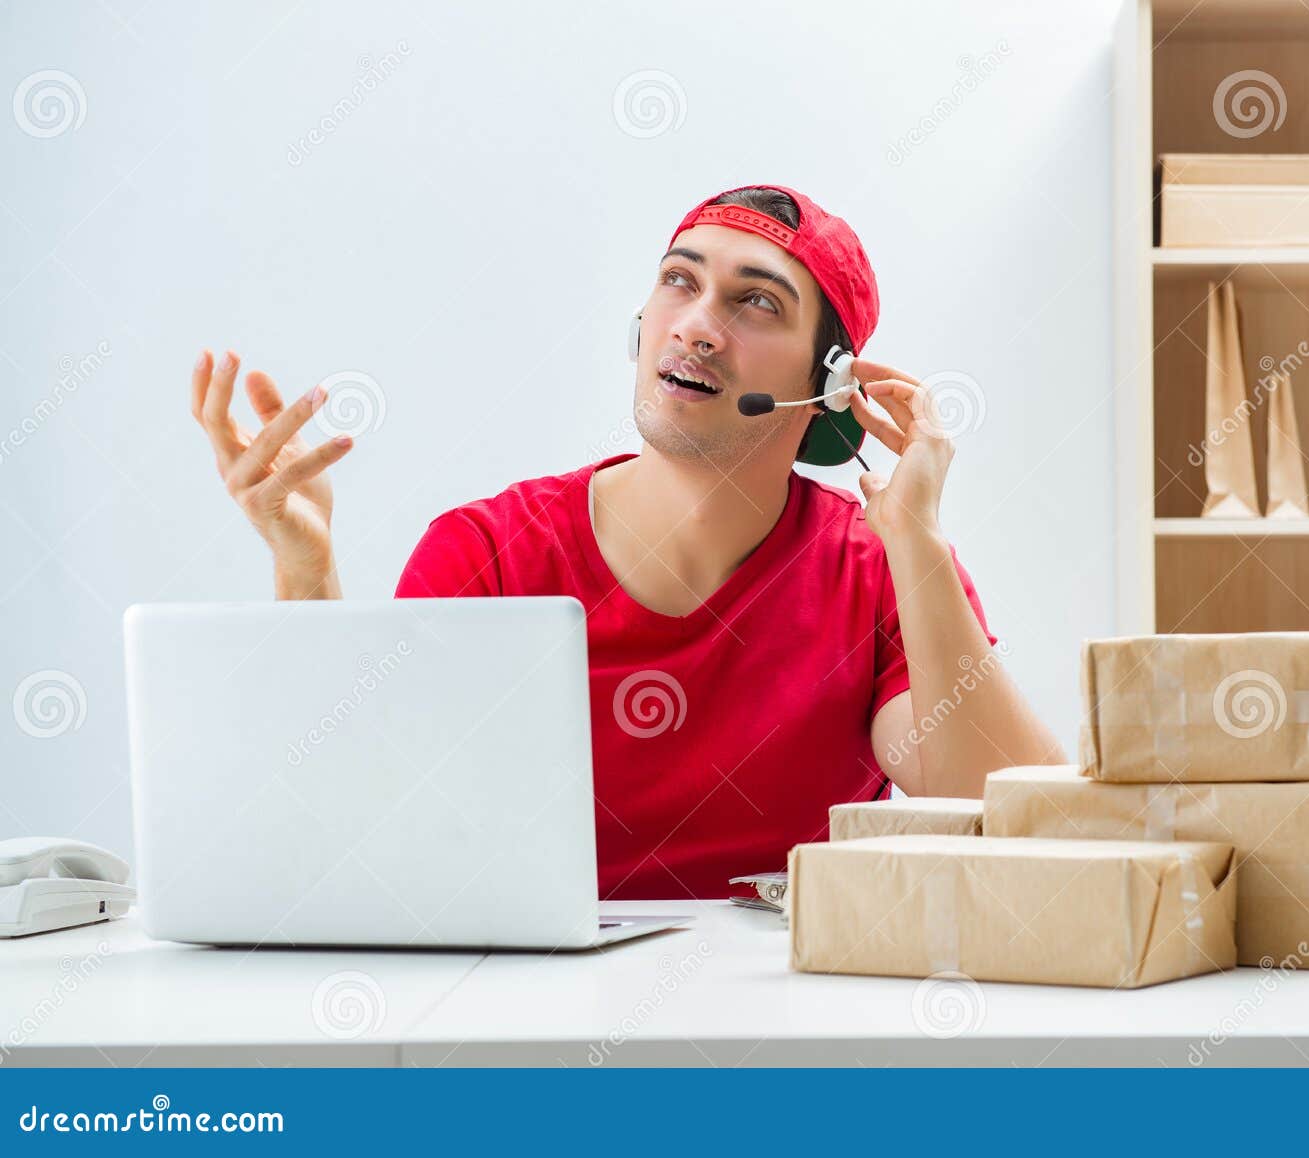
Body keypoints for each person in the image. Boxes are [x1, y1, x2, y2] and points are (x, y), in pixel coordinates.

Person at [189, 183, 1065, 899]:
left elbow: (1023, 822)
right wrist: (306, 574)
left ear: (826, 387)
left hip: (790, 1028)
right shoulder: (490, 551)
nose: (697, 323)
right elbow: (352, 827)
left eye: (756, 301)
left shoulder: (880, 569)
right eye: (680, 283)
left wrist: (918, 540)